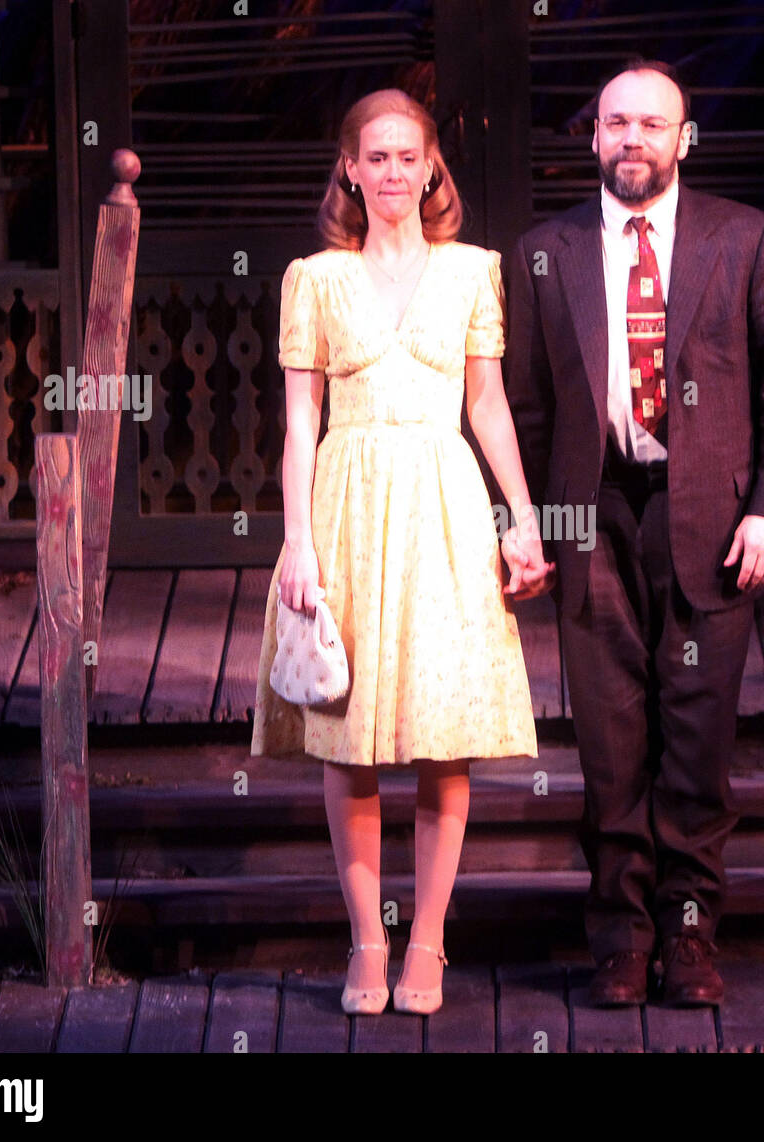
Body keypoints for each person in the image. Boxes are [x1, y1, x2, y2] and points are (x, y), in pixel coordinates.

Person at [503, 60, 764, 1007]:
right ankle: (620, 939)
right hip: (590, 516)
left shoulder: (748, 239)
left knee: (696, 741)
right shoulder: (542, 252)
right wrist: (520, 525)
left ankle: (690, 937)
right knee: (608, 743)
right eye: (615, 123)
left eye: (652, 124)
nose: (632, 139)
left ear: (683, 139)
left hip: (712, 521)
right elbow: (518, 407)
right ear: (592, 137)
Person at [250, 88, 554, 1016]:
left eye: (405, 157)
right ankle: (366, 943)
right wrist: (297, 540)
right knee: (349, 739)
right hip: (346, 500)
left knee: (439, 732)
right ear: (348, 167)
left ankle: (429, 940)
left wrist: (523, 515)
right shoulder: (315, 278)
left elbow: (488, 404)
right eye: (372, 158)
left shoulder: (473, 271)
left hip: (443, 502)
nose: (389, 173)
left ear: (432, 168)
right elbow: (299, 424)